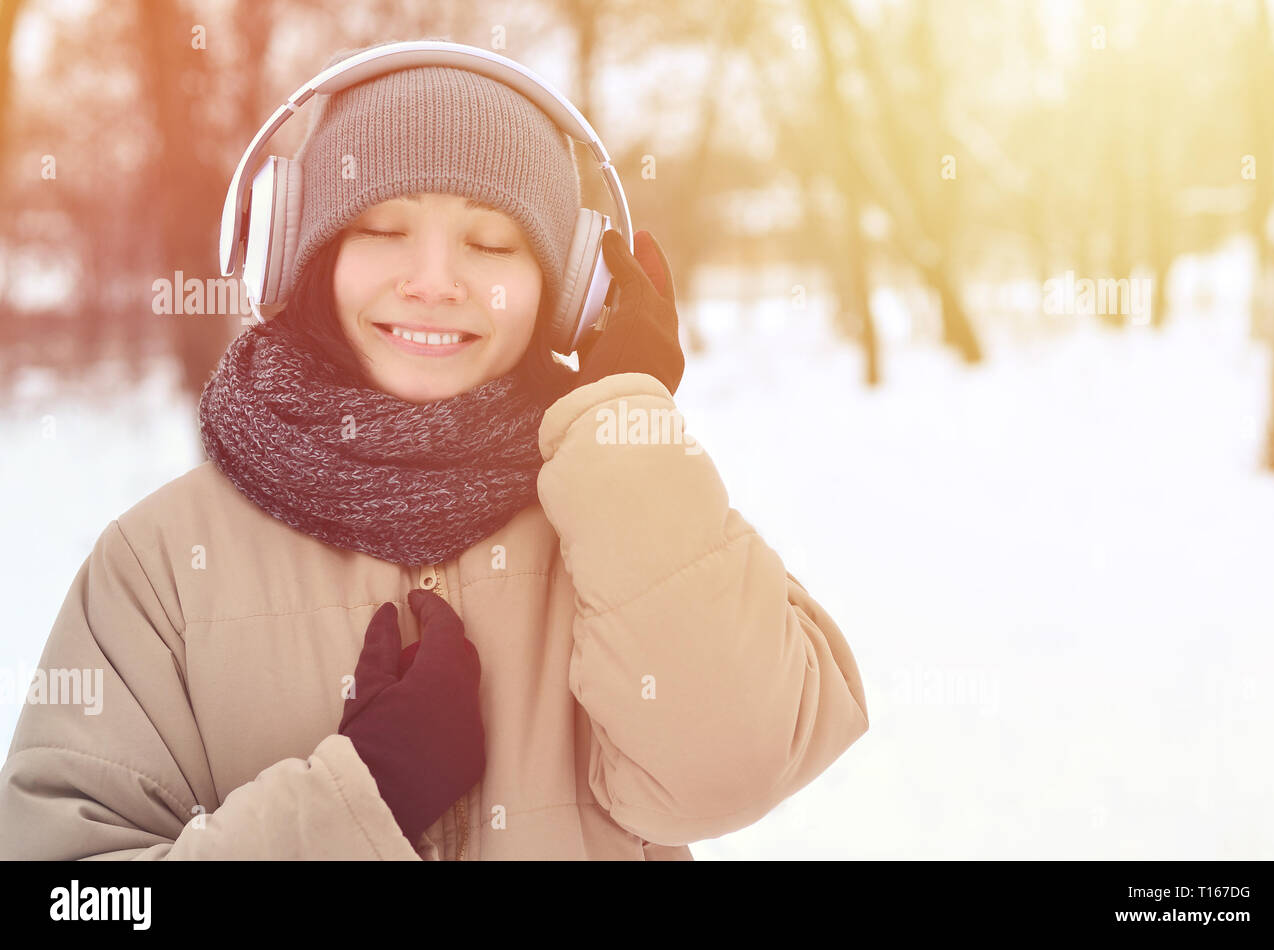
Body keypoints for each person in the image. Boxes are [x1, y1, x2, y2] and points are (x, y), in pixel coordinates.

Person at [0, 42, 870, 860]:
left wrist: (622, 433)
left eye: (491, 244)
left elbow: (731, 769)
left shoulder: (620, 516)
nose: (434, 282)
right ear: (298, 252)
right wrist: (361, 800)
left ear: (570, 288)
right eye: (383, 229)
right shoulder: (157, 567)